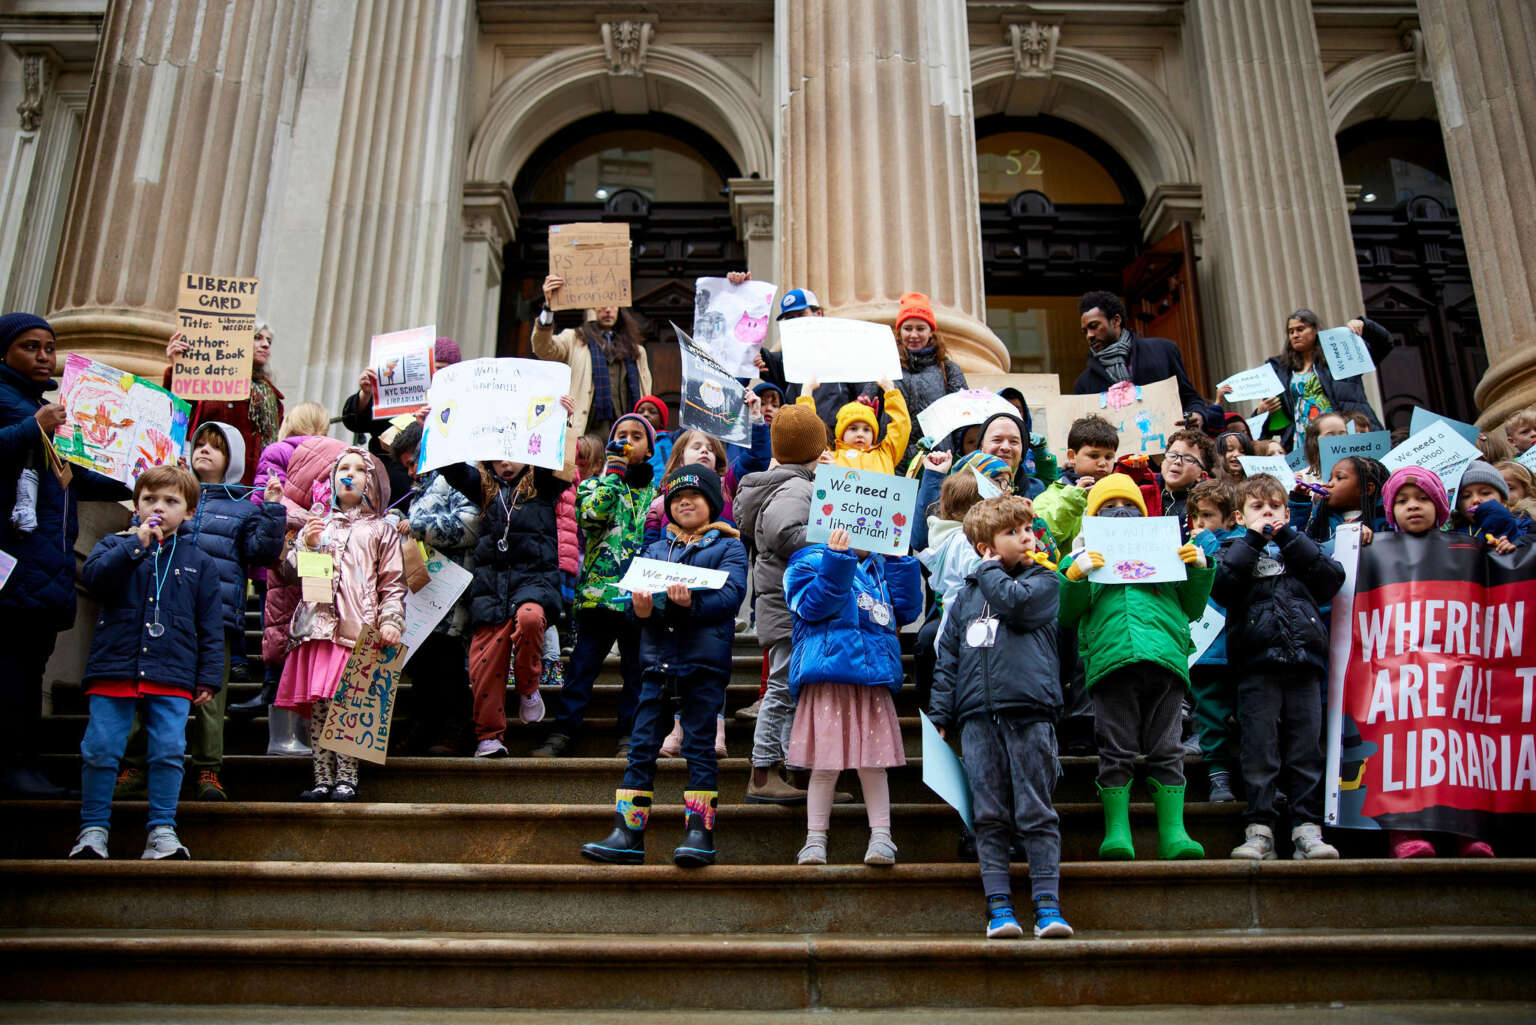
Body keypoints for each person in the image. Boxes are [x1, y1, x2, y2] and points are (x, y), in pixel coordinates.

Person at [581, 465, 748, 866]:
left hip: (703, 665)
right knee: (641, 748)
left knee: (701, 749)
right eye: (675, 498)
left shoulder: (729, 547)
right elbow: (637, 601)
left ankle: (699, 832)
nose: (684, 502)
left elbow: (730, 597)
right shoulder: (655, 550)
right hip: (656, 665)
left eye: (693, 496)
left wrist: (691, 603)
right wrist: (640, 611)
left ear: (713, 502)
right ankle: (628, 832)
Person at [112, 423, 285, 802]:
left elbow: (264, 554)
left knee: (211, 699)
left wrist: (272, 510)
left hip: (216, 617)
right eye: (199, 444)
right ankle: (135, 764)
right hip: (163, 611)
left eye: (215, 447)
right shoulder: (170, 498)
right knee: (146, 689)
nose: (203, 450)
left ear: (233, 459)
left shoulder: (243, 507)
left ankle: (208, 768)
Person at [0, 313, 131, 796]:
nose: (43, 357)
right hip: (14, 561)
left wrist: (138, 477)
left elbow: (79, 473)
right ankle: (14, 765)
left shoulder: (42, 409)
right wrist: (31, 428)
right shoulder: (17, 406)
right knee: (12, 667)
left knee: (27, 666)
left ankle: (23, 762)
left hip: (41, 562)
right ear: (5, 353)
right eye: (30, 347)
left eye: (49, 348)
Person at [929, 495, 1071, 940]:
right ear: (983, 545)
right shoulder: (966, 598)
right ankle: (1000, 907)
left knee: (1036, 809)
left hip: (1029, 712)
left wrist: (990, 572)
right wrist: (940, 710)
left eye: (1028, 529)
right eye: (1013, 532)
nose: (1027, 537)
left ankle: (1047, 907)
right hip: (976, 717)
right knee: (988, 814)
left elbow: (1016, 606)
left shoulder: (1044, 582)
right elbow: (948, 657)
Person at [67, 465, 223, 860]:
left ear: (188, 512)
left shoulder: (200, 561)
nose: (159, 507)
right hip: (115, 666)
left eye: (171, 501)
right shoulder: (113, 545)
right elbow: (97, 579)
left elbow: (210, 624)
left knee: (168, 749)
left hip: (172, 670)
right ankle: (93, 828)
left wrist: (207, 677)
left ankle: (162, 831)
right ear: (136, 506)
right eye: (150, 499)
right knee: (100, 747)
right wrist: (135, 545)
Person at [1058, 473, 1214, 860]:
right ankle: (1117, 832)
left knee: (1168, 747)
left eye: (1128, 506)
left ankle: (1174, 834)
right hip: (1112, 663)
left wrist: (1198, 569)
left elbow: (1193, 608)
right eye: (1107, 508)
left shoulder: (1165, 549)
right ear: (1092, 516)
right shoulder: (1079, 557)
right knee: (1117, 747)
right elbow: (1066, 613)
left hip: (1165, 661)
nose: (1120, 513)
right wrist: (1074, 576)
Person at [1212, 475, 1345, 861]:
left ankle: (1307, 829)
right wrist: (1253, 541)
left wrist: (1289, 538)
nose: (1266, 513)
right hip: (1257, 667)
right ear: (1239, 516)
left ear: (1288, 513)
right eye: (1257, 507)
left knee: (1306, 750)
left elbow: (1330, 580)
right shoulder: (1232, 550)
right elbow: (1221, 587)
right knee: (1260, 749)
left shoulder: (1302, 550)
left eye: (1274, 507)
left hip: (1305, 665)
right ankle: (1260, 829)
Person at [784, 525, 923, 866]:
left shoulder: (882, 565)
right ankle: (814, 839)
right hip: (828, 676)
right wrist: (838, 559)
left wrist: (901, 562)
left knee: (873, 763)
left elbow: (906, 612)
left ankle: (882, 837)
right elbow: (813, 606)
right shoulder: (806, 560)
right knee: (824, 765)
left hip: (871, 676)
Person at [272, 448, 406, 801]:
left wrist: (391, 620)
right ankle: (321, 778)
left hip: (357, 632)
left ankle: (347, 777)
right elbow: (288, 574)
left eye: (359, 469)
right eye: (342, 468)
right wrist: (307, 546)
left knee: (348, 705)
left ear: (372, 481)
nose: (349, 474)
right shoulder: (320, 527)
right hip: (317, 631)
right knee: (319, 707)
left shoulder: (381, 530)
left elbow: (392, 584)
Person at [534, 413, 659, 758]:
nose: (629, 440)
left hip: (639, 598)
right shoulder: (593, 485)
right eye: (622, 435)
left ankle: (628, 735)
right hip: (598, 597)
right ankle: (563, 731)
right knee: (582, 667)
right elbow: (591, 517)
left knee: (636, 671)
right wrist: (614, 475)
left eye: (637, 436)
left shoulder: (657, 494)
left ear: (649, 449)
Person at [448, 420, 572, 758]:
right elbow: (452, 470)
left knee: (531, 620)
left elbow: (563, 456)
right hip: (491, 588)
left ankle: (529, 686)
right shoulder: (484, 488)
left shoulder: (542, 485)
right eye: (499, 456)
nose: (506, 463)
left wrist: (565, 418)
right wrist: (433, 423)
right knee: (485, 665)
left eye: (513, 455)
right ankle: (489, 737)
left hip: (534, 581)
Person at [736, 403, 827, 804]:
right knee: (781, 689)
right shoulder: (797, 487)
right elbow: (785, 531)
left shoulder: (787, 483)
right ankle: (762, 773)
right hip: (791, 608)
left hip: (786, 605)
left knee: (792, 689)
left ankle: (793, 770)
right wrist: (835, 536)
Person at [244, 426, 347, 756]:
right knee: (292, 664)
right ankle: (287, 735)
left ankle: (304, 737)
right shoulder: (300, 519)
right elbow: (285, 571)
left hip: (320, 614)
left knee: (307, 669)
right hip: (301, 613)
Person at [403, 443, 481, 756]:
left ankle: (454, 728)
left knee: (447, 663)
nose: (409, 472)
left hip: (453, 589)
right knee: (422, 663)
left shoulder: (459, 476)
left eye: (412, 463)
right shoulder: (422, 488)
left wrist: (419, 527)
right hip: (424, 590)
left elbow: (470, 525)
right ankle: (423, 725)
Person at [1248, 309, 1392, 450]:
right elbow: (1275, 414)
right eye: (1291, 332)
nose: (1295, 335)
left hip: (1343, 432)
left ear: (1315, 330)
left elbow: (1385, 344)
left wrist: (1365, 325)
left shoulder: (1338, 355)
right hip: (1302, 439)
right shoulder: (1281, 369)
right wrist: (1261, 412)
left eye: (1300, 329)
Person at [164, 324, 284, 486]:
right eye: (257, 338)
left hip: (248, 491)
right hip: (202, 486)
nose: (265, 344)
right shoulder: (208, 383)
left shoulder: (271, 398)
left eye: (268, 340)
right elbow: (178, 415)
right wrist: (180, 369)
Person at [535, 275, 653, 439]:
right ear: (590, 308)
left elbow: (645, 394)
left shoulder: (637, 351)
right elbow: (543, 349)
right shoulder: (574, 340)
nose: (607, 309)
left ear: (620, 309)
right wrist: (548, 310)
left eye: (612, 303)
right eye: (601, 303)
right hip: (586, 431)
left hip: (627, 433)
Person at [344, 337, 462, 501]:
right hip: (383, 480)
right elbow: (355, 422)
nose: (437, 376)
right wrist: (366, 394)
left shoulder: (459, 401)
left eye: (443, 370)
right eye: (434, 369)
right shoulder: (398, 391)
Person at [1186, 479, 1243, 803]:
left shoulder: (1239, 544)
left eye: (1207, 516)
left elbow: (1228, 571)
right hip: (1207, 651)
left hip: (1237, 648)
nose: (1200, 525)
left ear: (1231, 517)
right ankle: (1218, 777)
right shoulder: (1193, 549)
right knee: (1209, 716)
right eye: (1195, 518)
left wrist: (1205, 543)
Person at [1075, 291, 1208, 428]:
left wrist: (1197, 414)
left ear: (1116, 321)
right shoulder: (1084, 383)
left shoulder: (1163, 351)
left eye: (1094, 326)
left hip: (1167, 444)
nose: (1089, 335)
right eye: (1085, 331)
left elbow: (1190, 398)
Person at [885, 292, 967, 471]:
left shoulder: (948, 369)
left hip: (937, 459)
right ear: (899, 333)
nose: (913, 335)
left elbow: (963, 417)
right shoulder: (886, 367)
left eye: (920, 328)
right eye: (908, 328)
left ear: (931, 332)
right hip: (893, 458)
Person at [1035, 414, 1119, 552]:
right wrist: (1072, 501)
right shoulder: (1053, 494)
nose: (1103, 463)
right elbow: (1041, 537)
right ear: (1072, 456)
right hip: (1067, 571)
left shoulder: (1116, 491)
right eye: (1094, 456)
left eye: (1109, 457)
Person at [799, 378, 908, 475]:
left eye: (866, 430)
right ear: (842, 432)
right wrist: (806, 392)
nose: (860, 434)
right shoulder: (829, 457)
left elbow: (901, 425)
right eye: (853, 428)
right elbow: (808, 431)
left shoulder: (885, 454)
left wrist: (890, 391)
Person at [1447, 460, 1526, 548]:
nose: (1475, 500)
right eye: (1466, 496)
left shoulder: (1523, 525)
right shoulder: (1451, 536)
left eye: (1485, 493)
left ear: (1503, 499)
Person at [1159, 429, 1216, 529]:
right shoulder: (1144, 491)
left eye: (1188, 459)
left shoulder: (1207, 505)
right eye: (1172, 455)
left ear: (1201, 475)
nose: (1177, 462)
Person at [632, 395, 673, 480]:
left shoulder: (670, 438)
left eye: (652, 412)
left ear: (661, 421)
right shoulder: (631, 441)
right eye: (641, 412)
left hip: (666, 486)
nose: (646, 414)